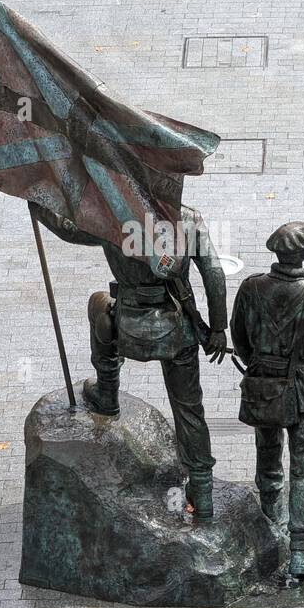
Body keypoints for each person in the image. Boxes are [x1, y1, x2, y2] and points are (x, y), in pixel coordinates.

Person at [30, 203, 228, 521]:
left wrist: (39, 203)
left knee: (98, 304)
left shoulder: (112, 215)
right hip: (178, 331)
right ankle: (202, 492)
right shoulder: (187, 219)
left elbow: (67, 228)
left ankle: (107, 393)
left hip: (128, 329)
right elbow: (214, 273)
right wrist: (218, 327)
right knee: (189, 409)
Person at [230, 222, 304, 577]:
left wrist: (258, 367)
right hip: (303, 394)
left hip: (262, 387)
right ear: (303, 254)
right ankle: (300, 550)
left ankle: (268, 517)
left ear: (277, 254)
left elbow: (239, 335)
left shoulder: (250, 288)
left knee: (267, 452)